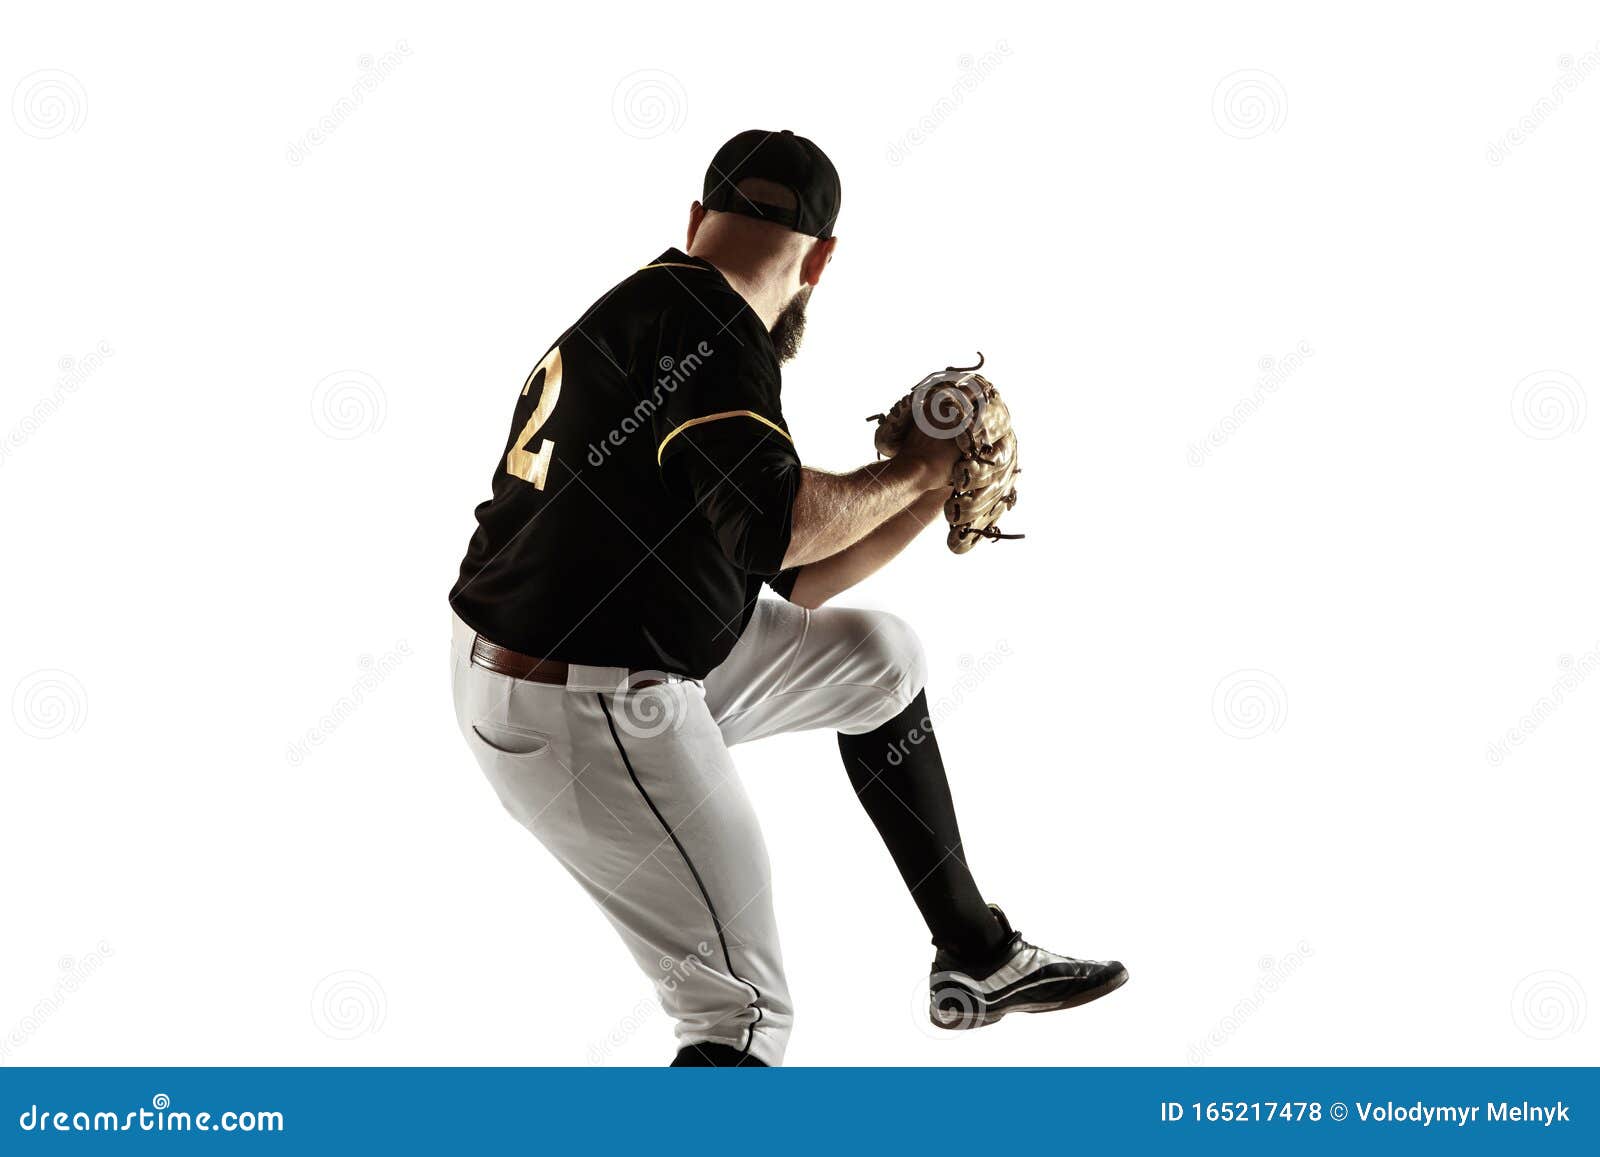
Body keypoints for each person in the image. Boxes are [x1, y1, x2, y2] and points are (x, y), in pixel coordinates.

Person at [448, 129, 1126, 1066]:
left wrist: (927, 492)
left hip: (575, 651)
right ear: (823, 257)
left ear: (696, 219)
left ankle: (975, 953)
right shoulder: (715, 331)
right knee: (741, 1017)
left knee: (877, 659)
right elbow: (788, 527)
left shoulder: (655, 304)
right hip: (586, 700)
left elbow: (792, 576)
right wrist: (916, 465)